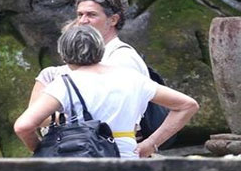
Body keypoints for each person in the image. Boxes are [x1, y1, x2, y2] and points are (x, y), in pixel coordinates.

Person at [14, 24, 198, 158]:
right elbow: (187, 105)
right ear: (101, 49)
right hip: (126, 155)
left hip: (80, 157)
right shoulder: (132, 78)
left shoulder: (64, 83)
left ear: (63, 54)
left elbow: (23, 126)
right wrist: (151, 143)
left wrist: (39, 148)